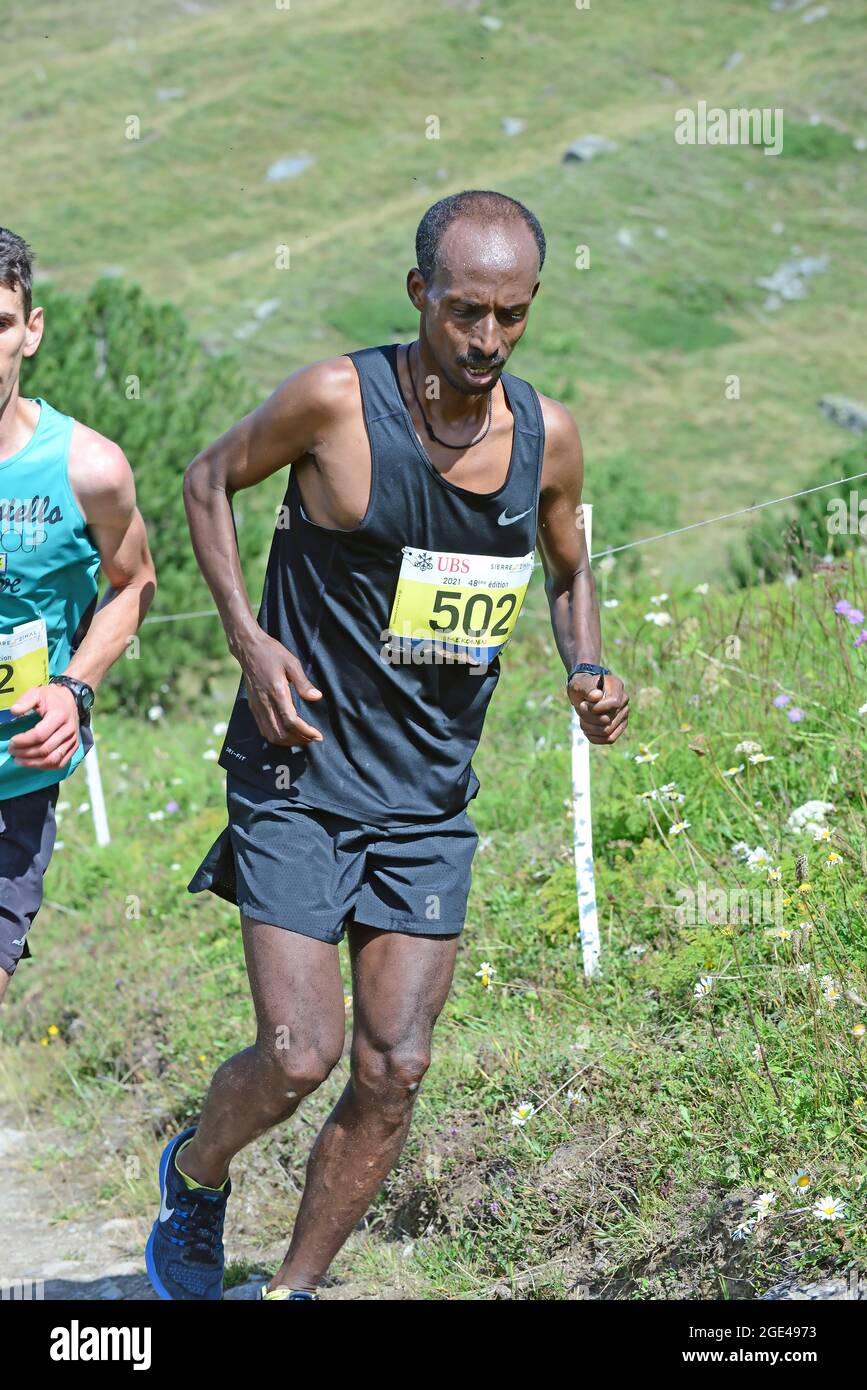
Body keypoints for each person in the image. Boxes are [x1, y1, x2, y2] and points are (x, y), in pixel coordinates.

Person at [146, 190, 629, 1302]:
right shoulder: (334, 402)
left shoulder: (546, 437)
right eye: (466, 312)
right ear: (421, 294)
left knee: (395, 1068)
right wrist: (248, 639)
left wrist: (584, 667)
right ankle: (196, 1167)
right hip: (298, 770)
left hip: (425, 795)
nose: (487, 340)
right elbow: (207, 480)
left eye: (512, 315)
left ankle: (296, 1288)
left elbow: (566, 566)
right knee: (299, 1052)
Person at [0, 228, 156, 1004]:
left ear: (30, 331)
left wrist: (73, 687)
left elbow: (132, 585)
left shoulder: (88, 469)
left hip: (12, 777)